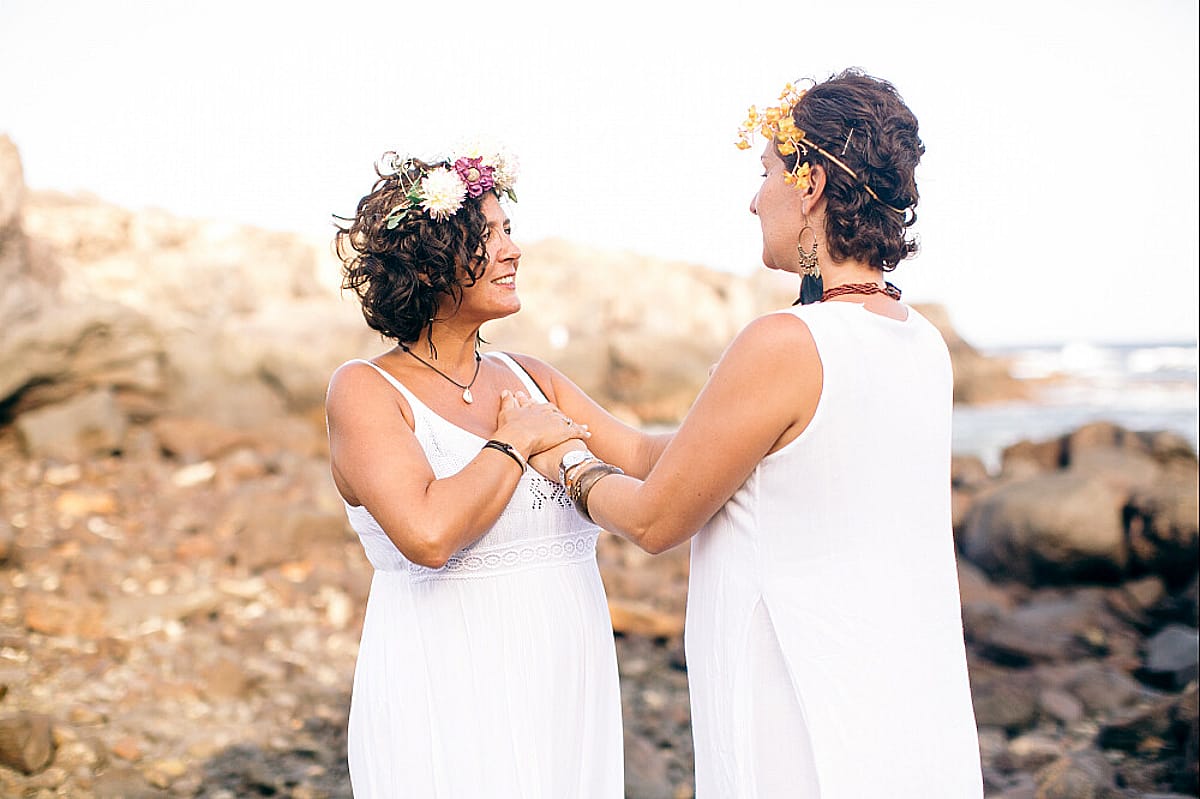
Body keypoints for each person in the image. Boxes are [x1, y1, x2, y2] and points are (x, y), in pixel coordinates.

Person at [526, 70, 984, 797]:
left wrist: (560, 461)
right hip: (903, 710)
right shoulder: (921, 341)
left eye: (765, 171)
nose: (753, 198)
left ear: (810, 185)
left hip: (799, 714)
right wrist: (555, 394)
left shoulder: (786, 342)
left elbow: (654, 518)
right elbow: (674, 460)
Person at [325, 146, 639, 797]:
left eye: (508, 230)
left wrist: (748, 407)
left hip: (563, 696)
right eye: (489, 236)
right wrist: (514, 441)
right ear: (428, 263)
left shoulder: (533, 377)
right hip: (448, 699)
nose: (513, 250)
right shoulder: (366, 390)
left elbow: (647, 460)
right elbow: (428, 534)